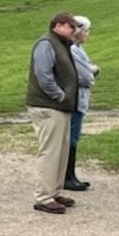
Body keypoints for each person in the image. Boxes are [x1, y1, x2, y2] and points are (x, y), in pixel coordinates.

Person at [25, 11, 80, 214]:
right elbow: (43, 75)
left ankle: (54, 191)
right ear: (57, 25)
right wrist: (60, 96)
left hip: (60, 108)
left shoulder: (62, 45)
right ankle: (43, 197)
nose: (74, 30)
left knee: (61, 150)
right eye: (70, 26)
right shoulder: (46, 44)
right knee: (50, 151)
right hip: (48, 107)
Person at [65, 15, 99, 191]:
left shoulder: (76, 49)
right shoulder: (73, 50)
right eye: (86, 30)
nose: (87, 34)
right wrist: (93, 72)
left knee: (74, 136)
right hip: (76, 98)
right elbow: (85, 76)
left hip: (79, 98)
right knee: (72, 136)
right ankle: (67, 176)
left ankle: (71, 174)